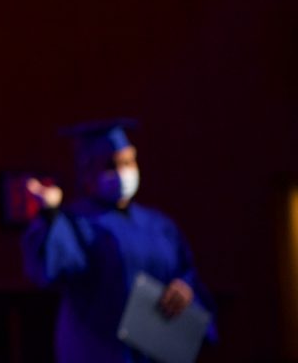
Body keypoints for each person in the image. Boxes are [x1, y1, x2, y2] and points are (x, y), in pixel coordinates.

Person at [23, 120, 217, 362]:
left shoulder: (159, 225)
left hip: (158, 349)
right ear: (88, 172)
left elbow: (186, 272)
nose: (122, 172)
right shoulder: (77, 223)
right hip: (102, 350)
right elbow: (50, 267)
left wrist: (184, 290)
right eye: (110, 165)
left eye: (127, 162)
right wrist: (50, 213)